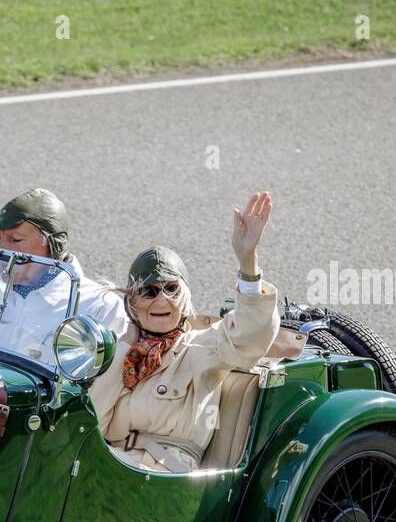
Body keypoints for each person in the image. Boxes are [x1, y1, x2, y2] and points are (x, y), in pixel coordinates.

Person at [88, 192, 280, 473]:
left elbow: (251, 336)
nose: (161, 300)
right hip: (111, 463)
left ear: (186, 297)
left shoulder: (201, 347)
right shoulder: (119, 353)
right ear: (132, 302)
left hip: (163, 474)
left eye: (172, 289)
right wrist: (121, 352)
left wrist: (247, 262)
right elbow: (93, 423)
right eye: (149, 291)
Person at [0, 188, 127, 363]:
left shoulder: (98, 306)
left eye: (15, 240)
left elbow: (106, 383)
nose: (0, 250)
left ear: (53, 245)